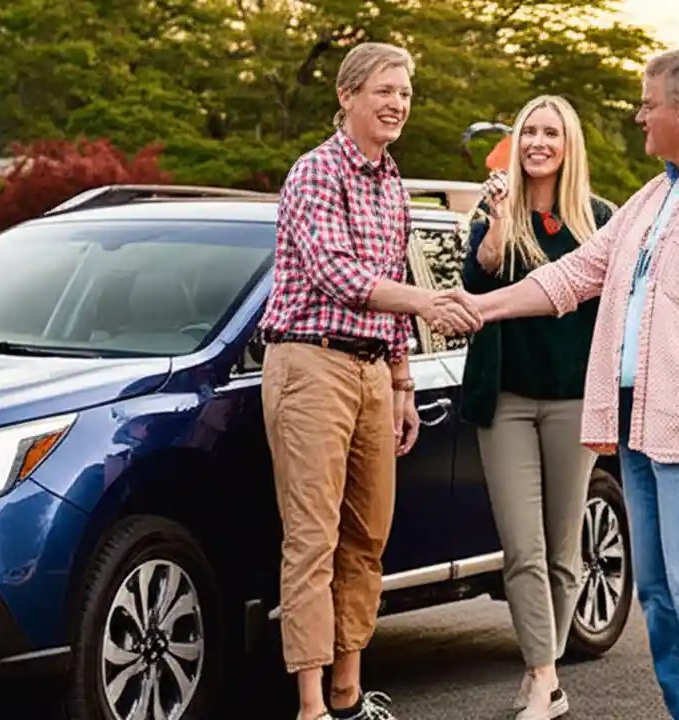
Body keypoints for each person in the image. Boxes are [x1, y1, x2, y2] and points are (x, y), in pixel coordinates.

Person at [465, 49, 679, 720]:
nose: (638, 115)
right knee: (661, 598)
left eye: (647, 104)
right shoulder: (655, 197)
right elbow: (574, 276)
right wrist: (478, 307)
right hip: (639, 430)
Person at [258, 41, 481, 720]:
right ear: (348, 94)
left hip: (372, 373)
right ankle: (310, 707)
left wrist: (403, 382)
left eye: (406, 93)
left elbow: (384, 298)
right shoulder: (316, 174)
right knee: (313, 539)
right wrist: (425, 302)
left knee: (366, 537)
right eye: (386, 91)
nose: (398, 104)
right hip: (310, 363)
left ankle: (349, 696)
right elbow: (339, 275)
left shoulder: (391, 182)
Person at [459, 94, 613, 720]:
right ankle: (545, 676)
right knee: (521, 548)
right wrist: (497, 220)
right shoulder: (493, 211)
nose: (538, 143)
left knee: (561, 551)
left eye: (550, 132)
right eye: (529, 132)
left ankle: (541, 678)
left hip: (574, 400)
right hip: (508, 401)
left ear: (568, 144)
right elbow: (477, 284)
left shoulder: (601, 220)